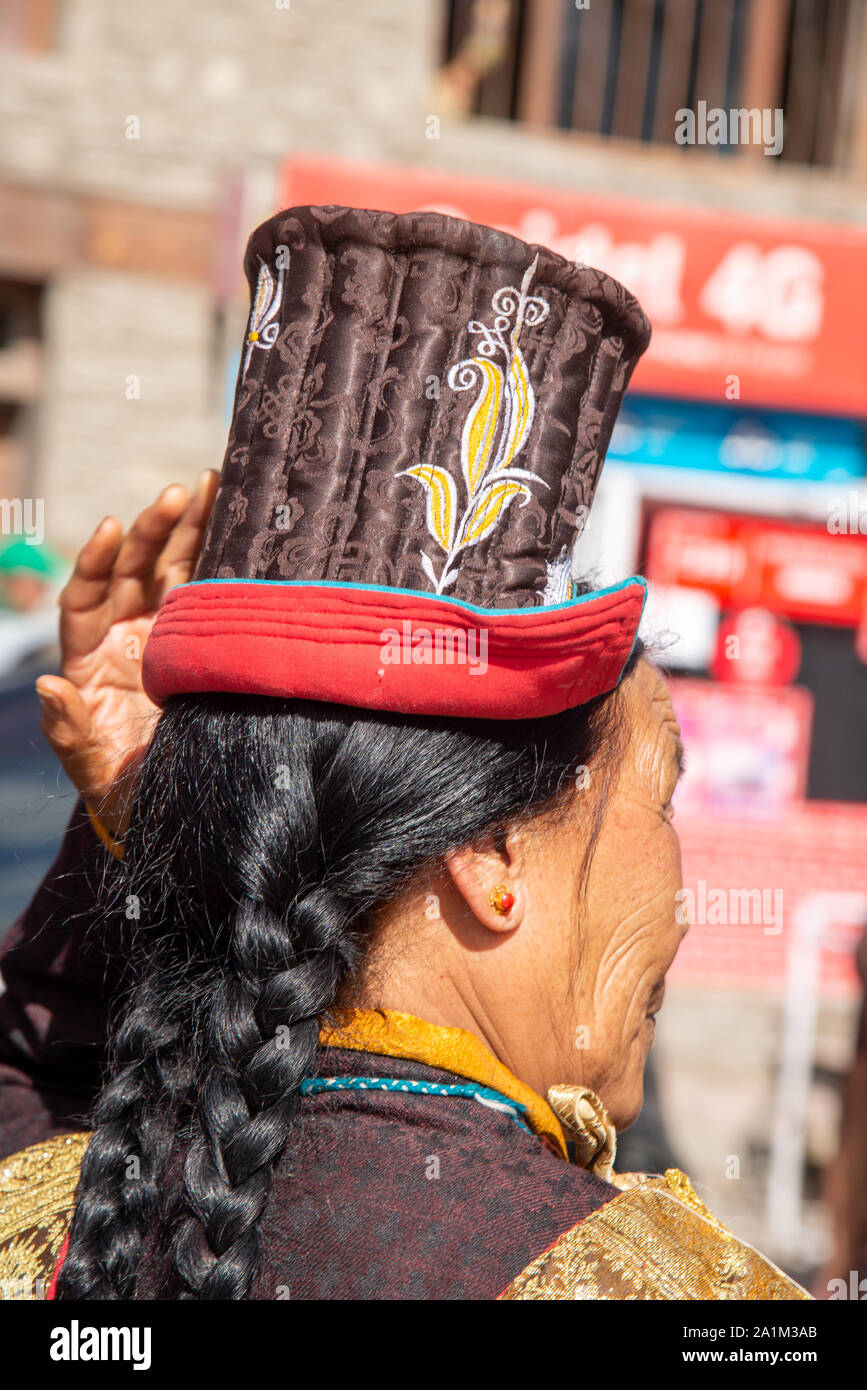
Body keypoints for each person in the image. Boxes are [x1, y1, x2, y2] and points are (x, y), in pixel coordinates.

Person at [0, 205, 808, 1301]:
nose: (680, 900)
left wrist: (166, 841)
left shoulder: (58, 1221)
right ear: (492, 849)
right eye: (661, 800)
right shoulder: (649, 1286)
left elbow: (36, 1080)